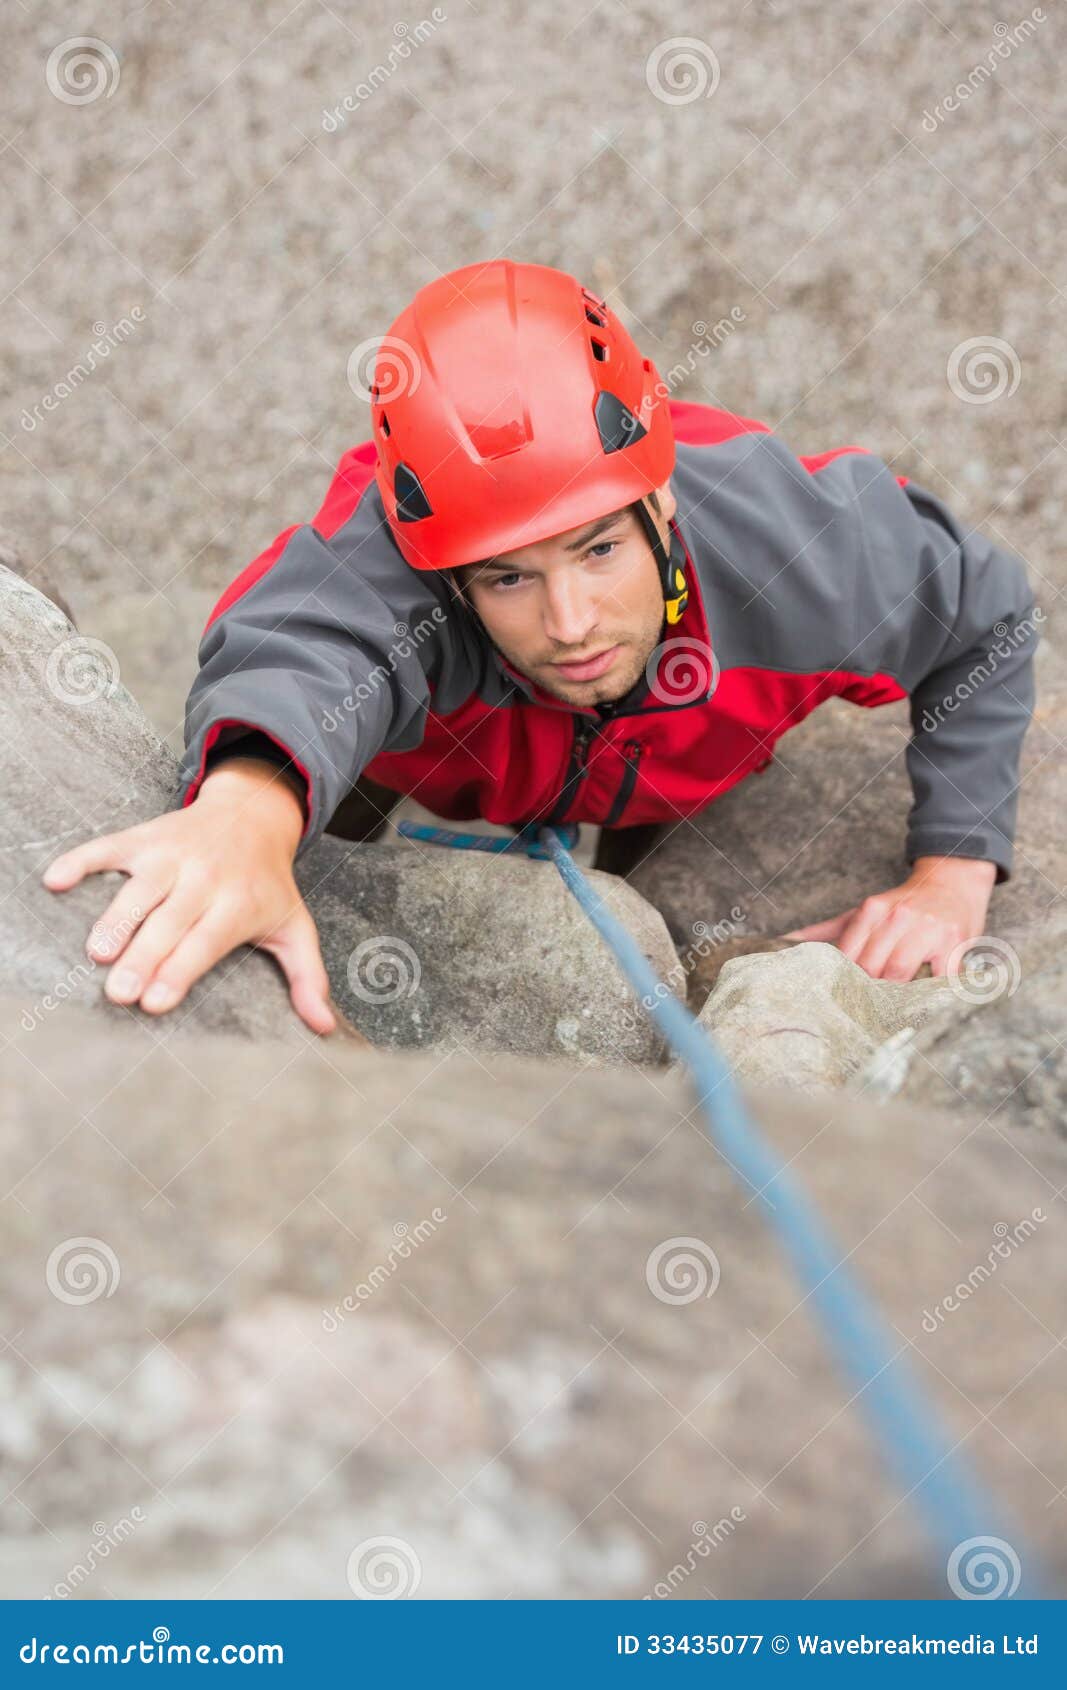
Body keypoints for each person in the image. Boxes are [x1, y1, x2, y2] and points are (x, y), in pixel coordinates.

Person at [42, 259, 1038, 1033]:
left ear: (659, 499)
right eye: (508, 577)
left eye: (598, 549)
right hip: (418, 752)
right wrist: (244, 817)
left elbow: (985, 611)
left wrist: (950, 869)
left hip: (678, 753)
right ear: (444, 566)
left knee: (673, 931)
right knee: (309, 822)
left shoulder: (800, 547)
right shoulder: (404, 562)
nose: (567, 623)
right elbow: (306, 647)